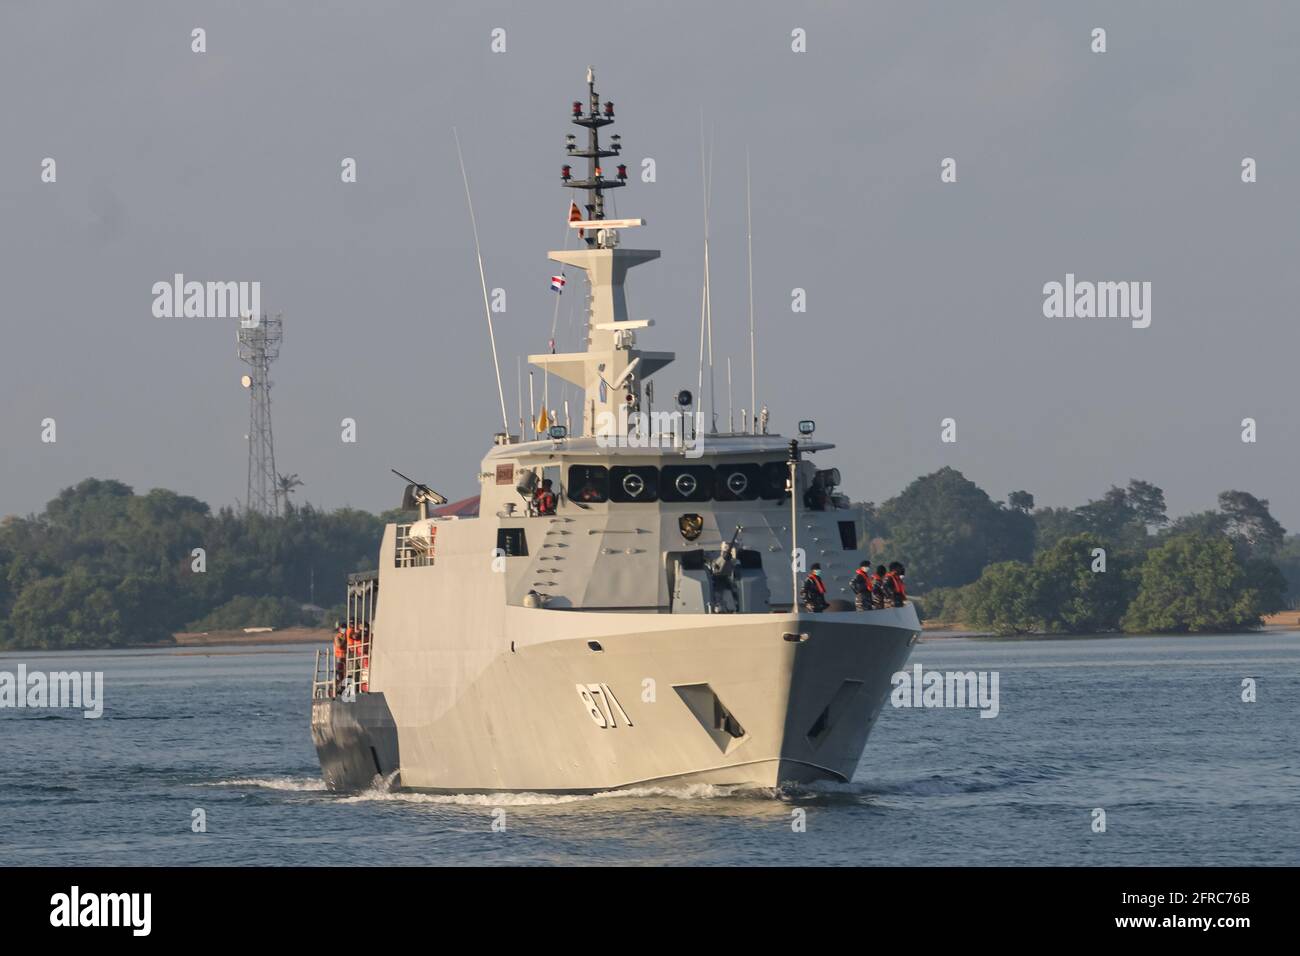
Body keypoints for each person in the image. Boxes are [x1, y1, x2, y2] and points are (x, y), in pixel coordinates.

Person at [709, 543, 740, 613]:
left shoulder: (729, 558)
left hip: (724, 578)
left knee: (730, 590)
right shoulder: (716, 557)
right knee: (718, 592)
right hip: (716, 578)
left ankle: (732, 606)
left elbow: (733, 562)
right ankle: (718, 605)